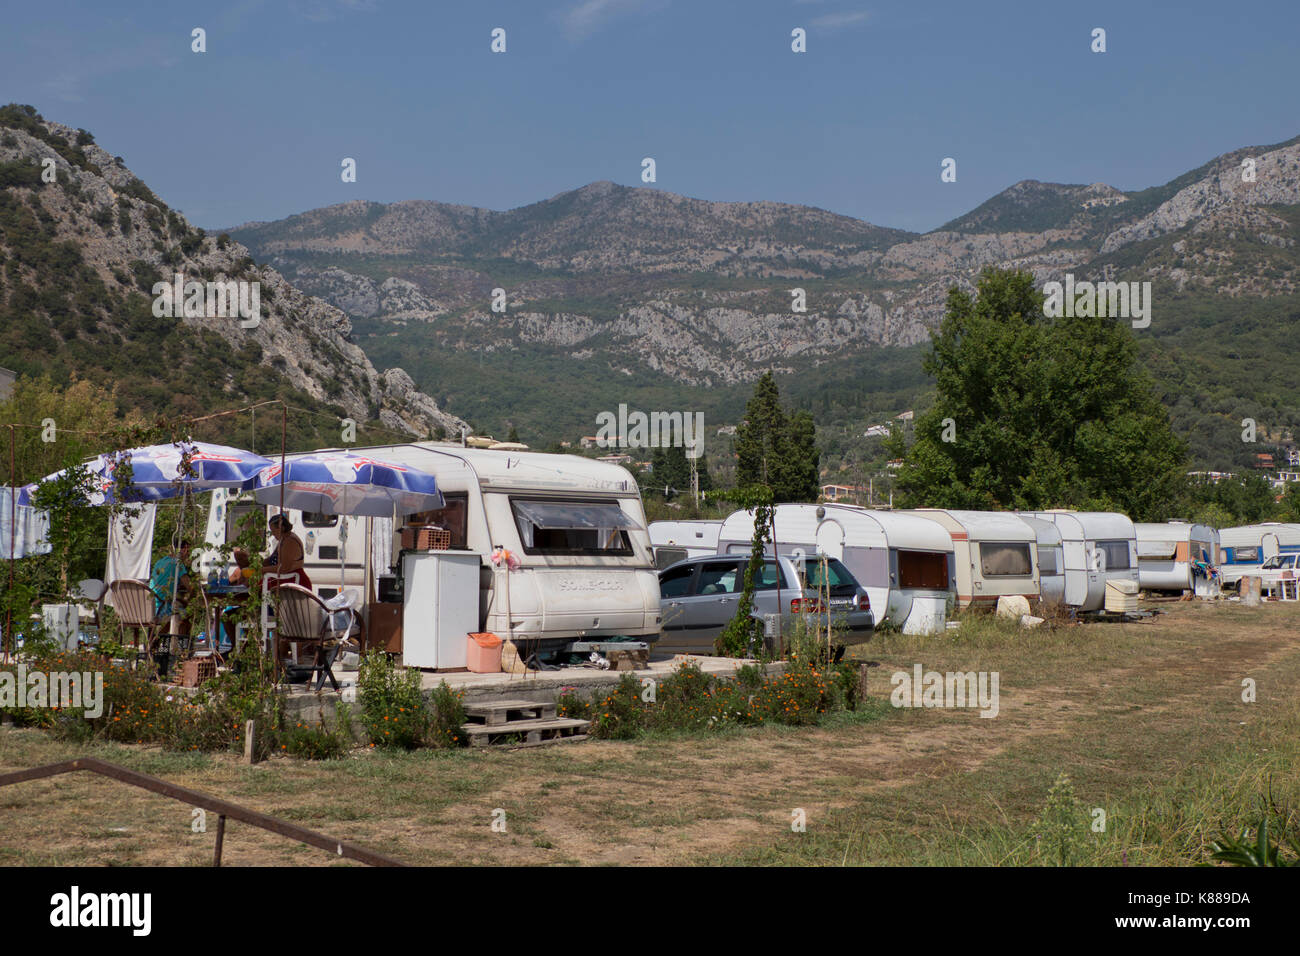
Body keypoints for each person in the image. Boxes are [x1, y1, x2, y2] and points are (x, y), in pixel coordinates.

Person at [148, 539, 193, 623]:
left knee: (180, 603)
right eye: (188, 552)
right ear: (184, 549)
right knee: (188, 613)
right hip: (163, 606)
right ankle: (178, 635)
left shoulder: (159, 562)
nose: (188, 555)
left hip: (150, 606)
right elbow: (190, 587)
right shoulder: (178, 563)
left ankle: (162, 635)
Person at [264, 513, 312, 590]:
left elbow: (284, 568)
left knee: (257, 587)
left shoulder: (290, 541)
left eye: (274, 531)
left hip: (294, 582)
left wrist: (261, 570)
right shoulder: (283, 539)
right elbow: (270, 560)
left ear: (282, 528)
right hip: (284, 580)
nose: (272, 534)